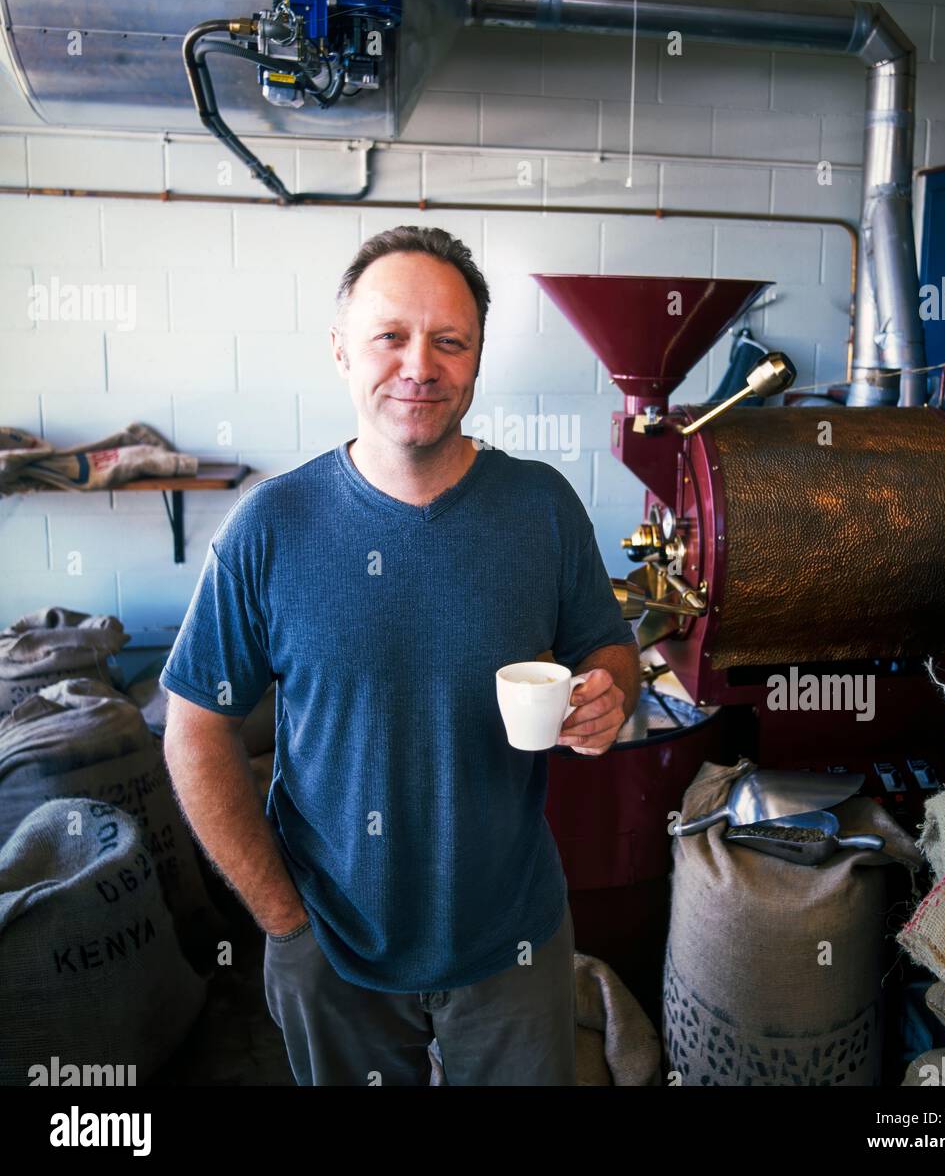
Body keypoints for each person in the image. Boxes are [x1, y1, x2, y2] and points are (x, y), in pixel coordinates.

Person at [161, 225, 640, 1086]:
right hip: (331, 944)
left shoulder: (541, 507)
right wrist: (284, 922)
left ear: (478, 357)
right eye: (391, 336)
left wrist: (613, 690)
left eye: (450, 341)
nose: (420, 366)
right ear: (342, 349)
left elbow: (607, 645)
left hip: (513, 936)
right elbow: (195, 731)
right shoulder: (271, 525)